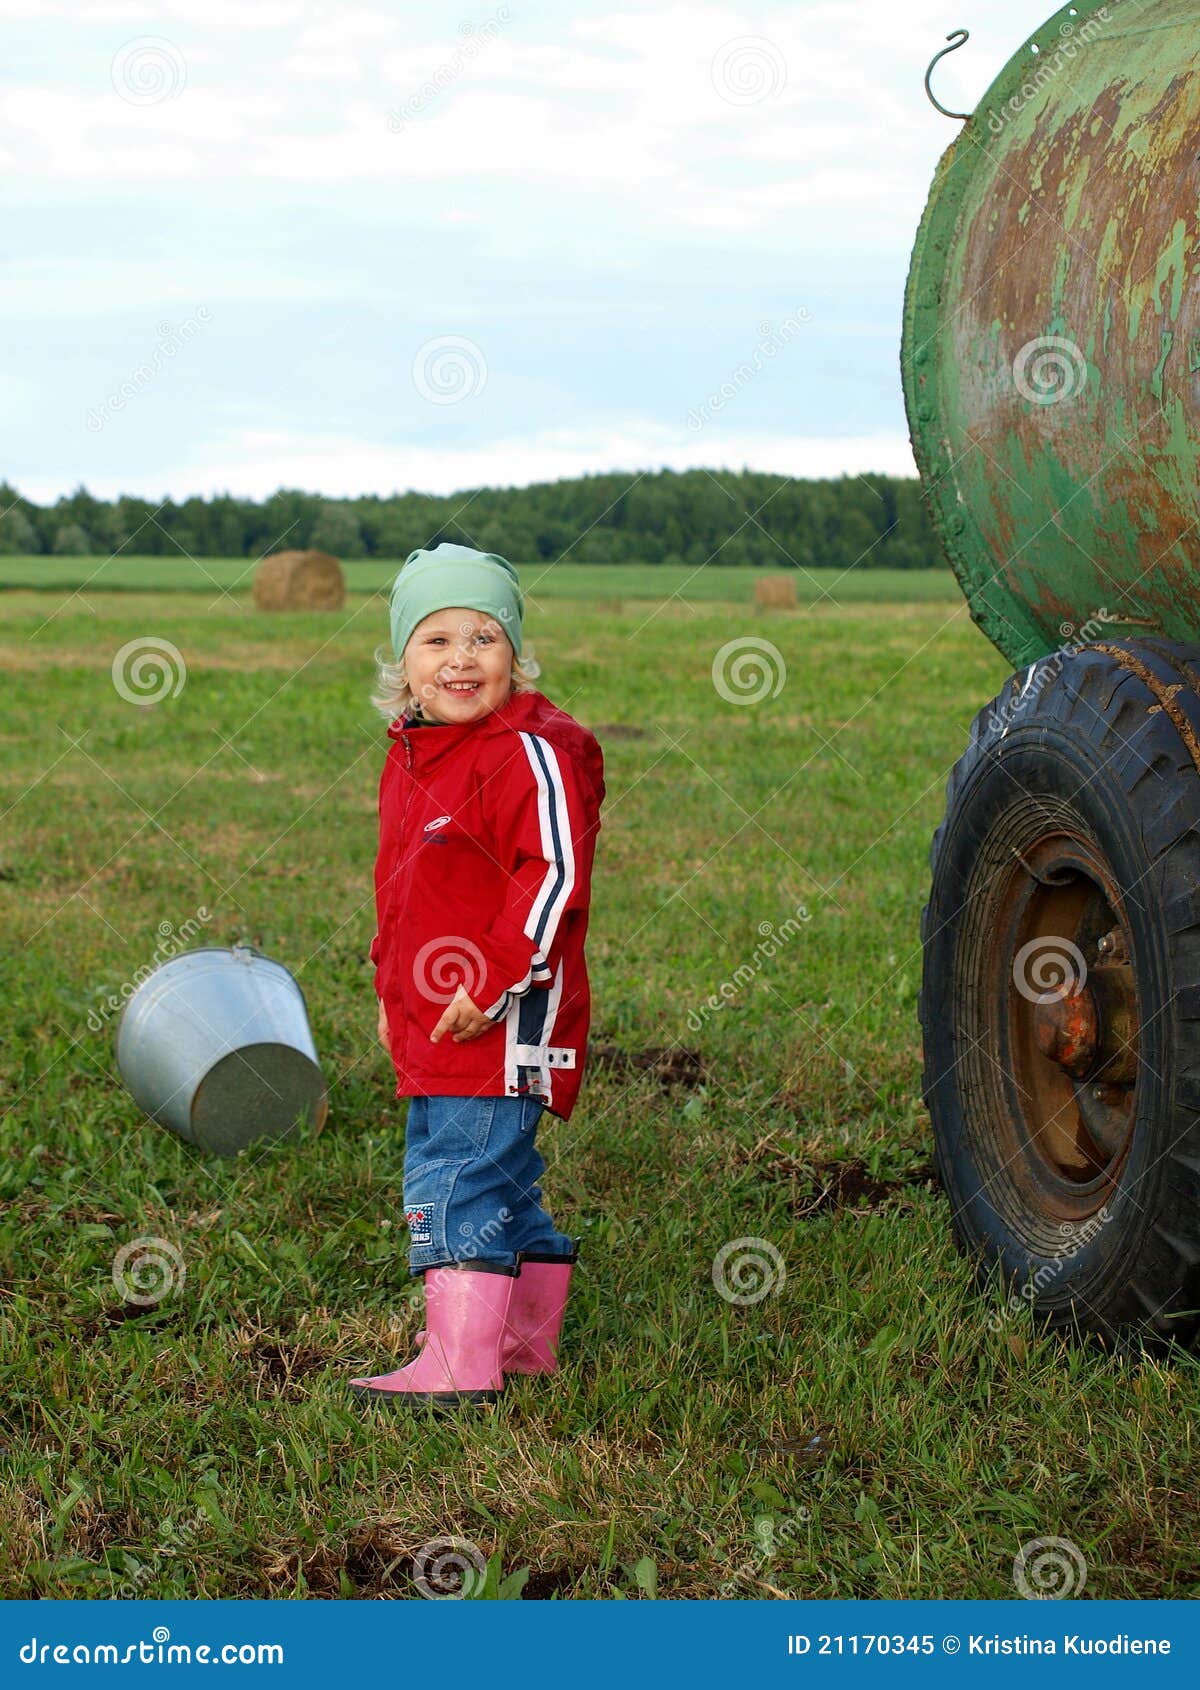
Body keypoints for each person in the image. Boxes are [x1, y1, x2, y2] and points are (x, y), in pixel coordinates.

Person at [351, 542, 605, 1409]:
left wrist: (495, 980)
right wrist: (392, 993)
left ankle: (460, 1365)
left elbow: (554, 874)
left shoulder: (524, 753)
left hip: (500, 1017)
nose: (462, 658)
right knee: (500, 1180)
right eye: (437, 640)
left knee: (455, 1176)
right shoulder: (416, 758)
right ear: (403, 664)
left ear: (515, 657)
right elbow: (401, 892)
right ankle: (523, 1346)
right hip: (436, 1014)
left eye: (485, 637)